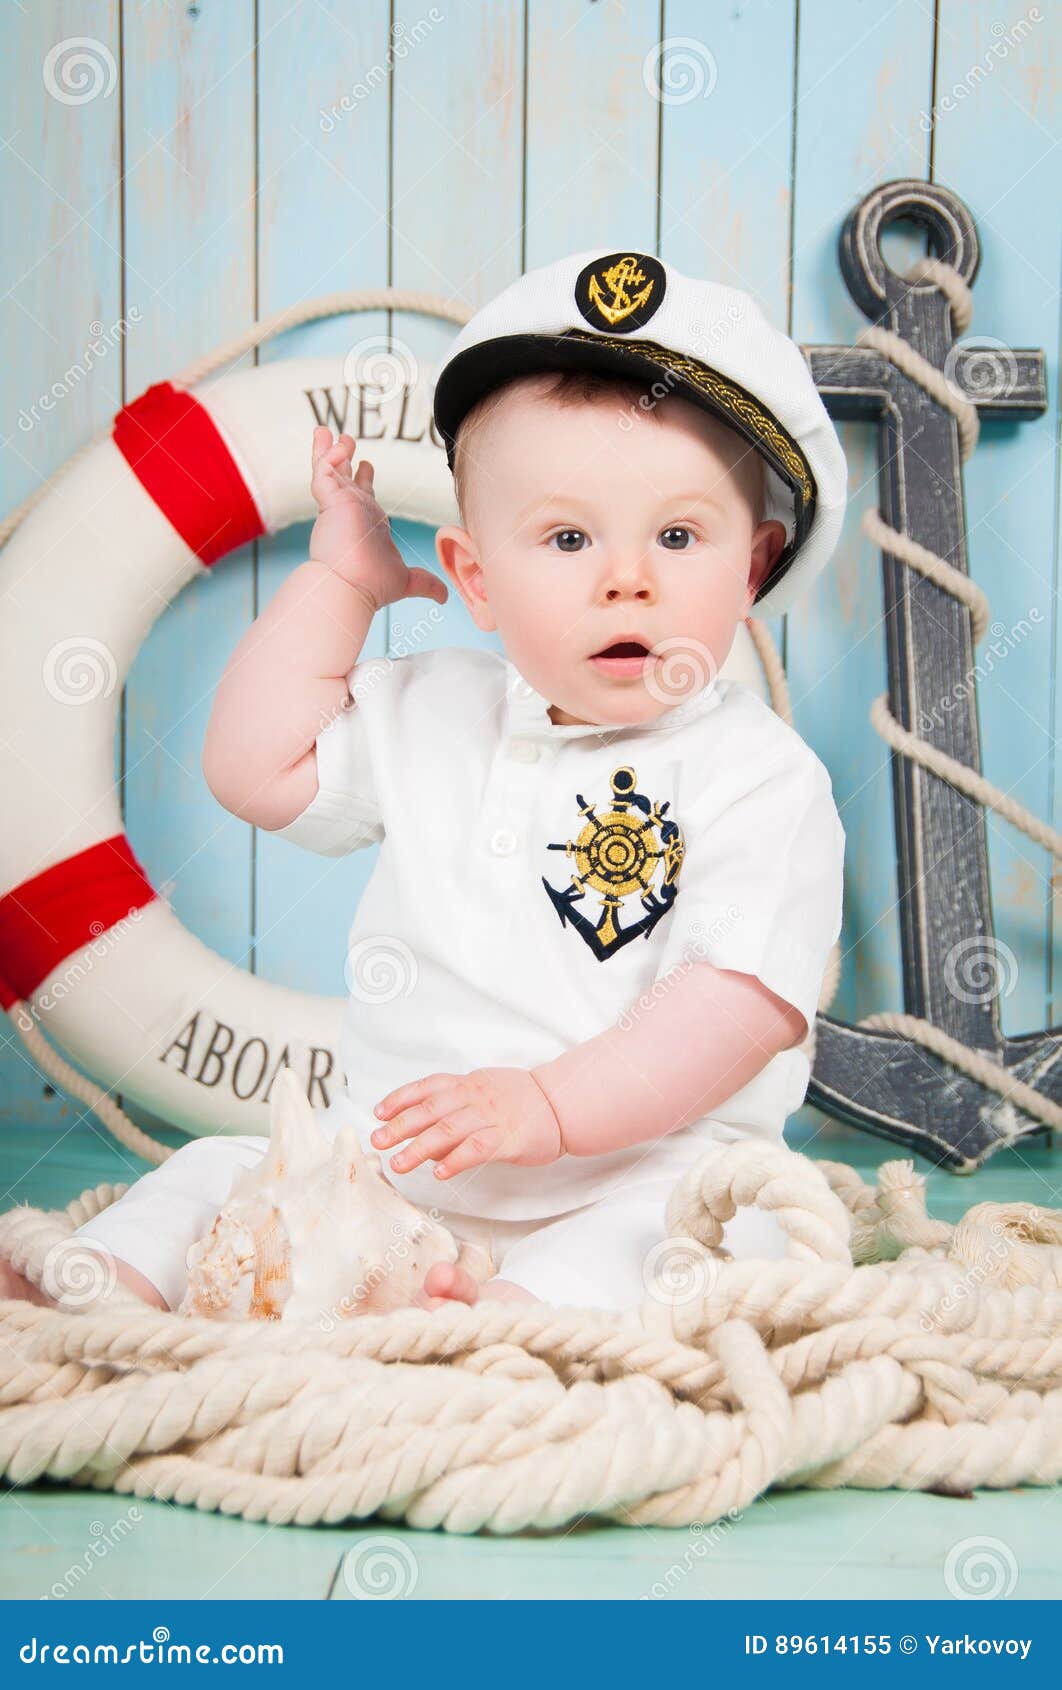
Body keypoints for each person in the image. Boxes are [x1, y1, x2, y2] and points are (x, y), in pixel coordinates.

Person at [7, 249, 848, 1317]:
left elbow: (731, 1009)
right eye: (568, 536)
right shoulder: (432, 709)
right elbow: (253, 769)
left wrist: (548, 1107)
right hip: (408, 1164)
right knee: (220, 1171)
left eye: (679, 535)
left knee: (688, 1240)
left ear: (755, 565)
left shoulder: (759, 780)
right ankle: (91, 1295)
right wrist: (339, 587)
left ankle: (505, 1327)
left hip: (639, 1170)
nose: (625, 575)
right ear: (478, 579)